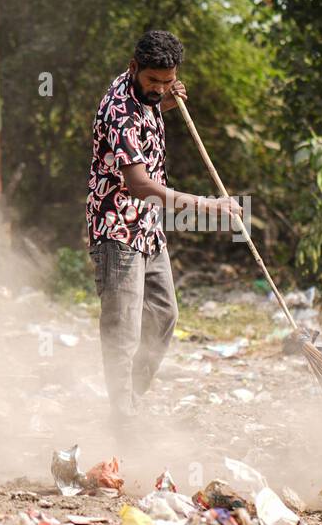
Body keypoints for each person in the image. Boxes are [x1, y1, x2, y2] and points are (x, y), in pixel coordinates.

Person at [86, 29, 241, 420]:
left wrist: (165, 102)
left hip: (148, 228)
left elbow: (148, 112)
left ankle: (130, 402)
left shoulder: (147, 95)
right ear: (133, 67)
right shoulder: (118, 110)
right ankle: (123, 422)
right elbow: (139, 185)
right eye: (153, 81)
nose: (160, 88)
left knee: (164, 313)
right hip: (118, 230)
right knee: (123, 334)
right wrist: (210, 207)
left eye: (168, 81)